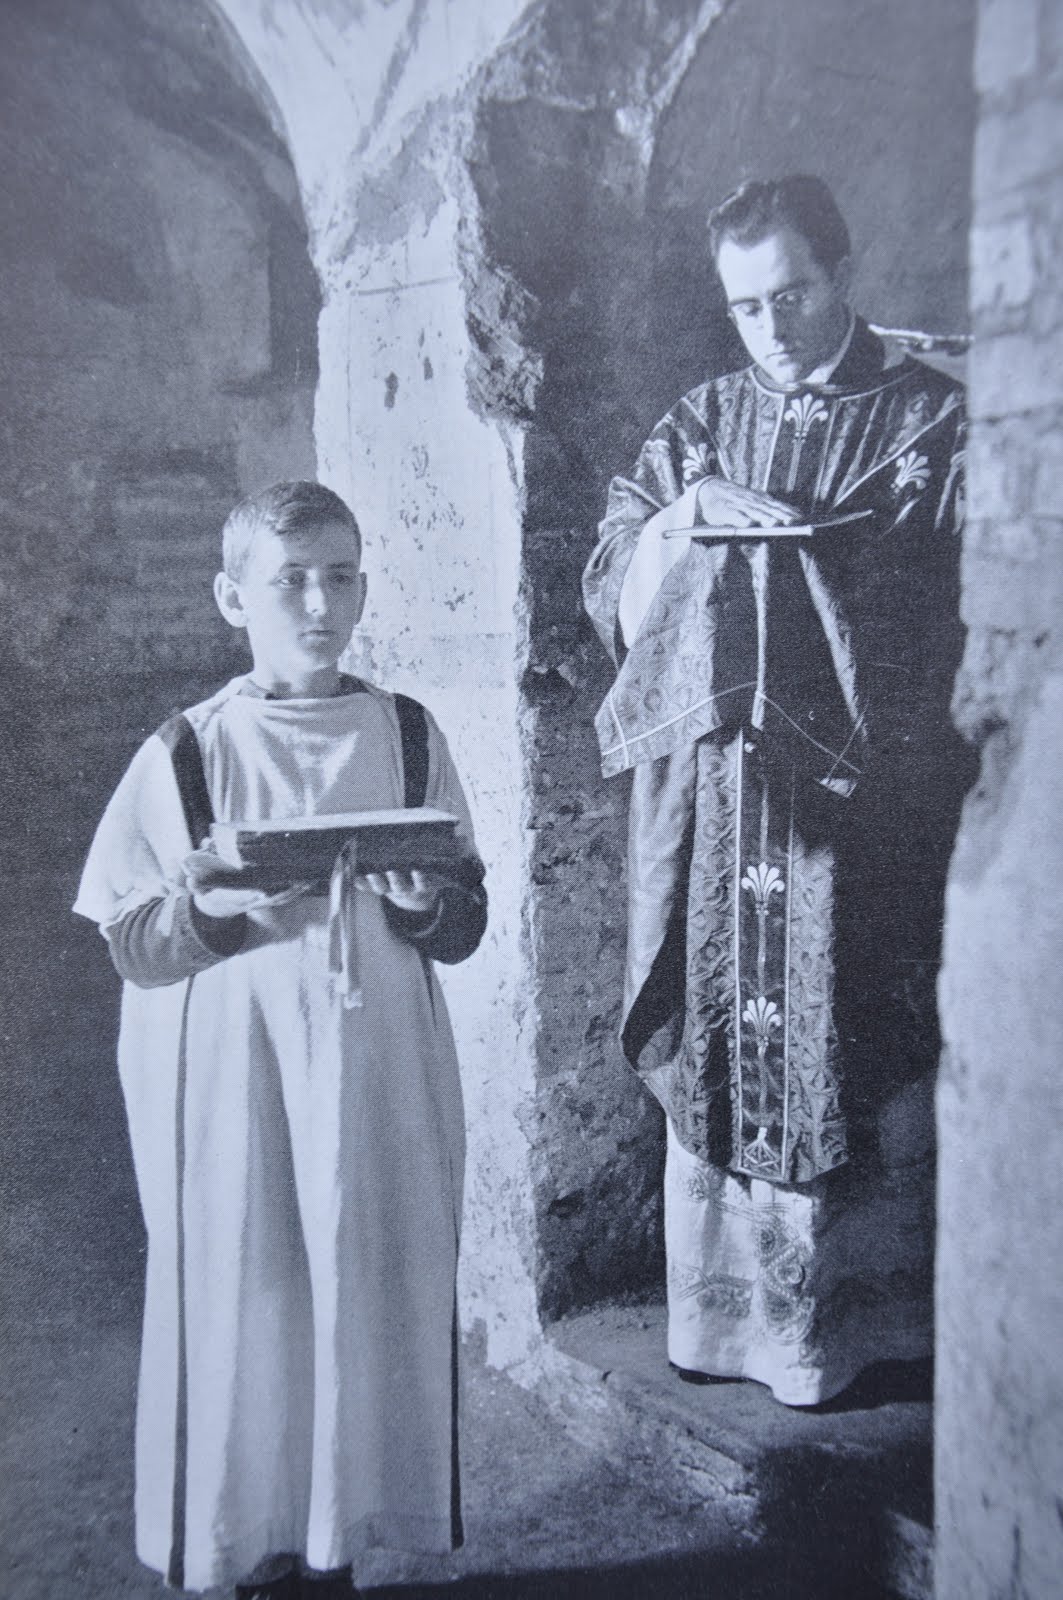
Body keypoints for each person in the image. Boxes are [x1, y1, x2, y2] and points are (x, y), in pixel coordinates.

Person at [582, 176, 968, 1407]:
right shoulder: (697, 424)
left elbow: (971, 604)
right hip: (720, 799)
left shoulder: (928, 423)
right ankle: (729, 1320)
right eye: (744, 307)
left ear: (839, 270)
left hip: (864, 810)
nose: (771, 328)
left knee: (855, 1026)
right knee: (719, 1027)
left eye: (790, 294)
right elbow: (610, 579)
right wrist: (685, 523)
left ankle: (862, 1326)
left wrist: (832, 573)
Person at [74, 481, 487, 1597]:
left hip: (374, 1069)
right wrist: (211, 908)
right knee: (249, 1288)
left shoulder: (405, 732)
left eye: (340, 575)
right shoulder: (187, 752)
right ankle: (238, 1541)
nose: (319, 602)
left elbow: (464, 919)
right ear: (230, 596)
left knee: (357, 1283)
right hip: (237, 1070)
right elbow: (134, 941)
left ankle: (333, 1538)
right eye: (289, 579)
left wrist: (419, 900)